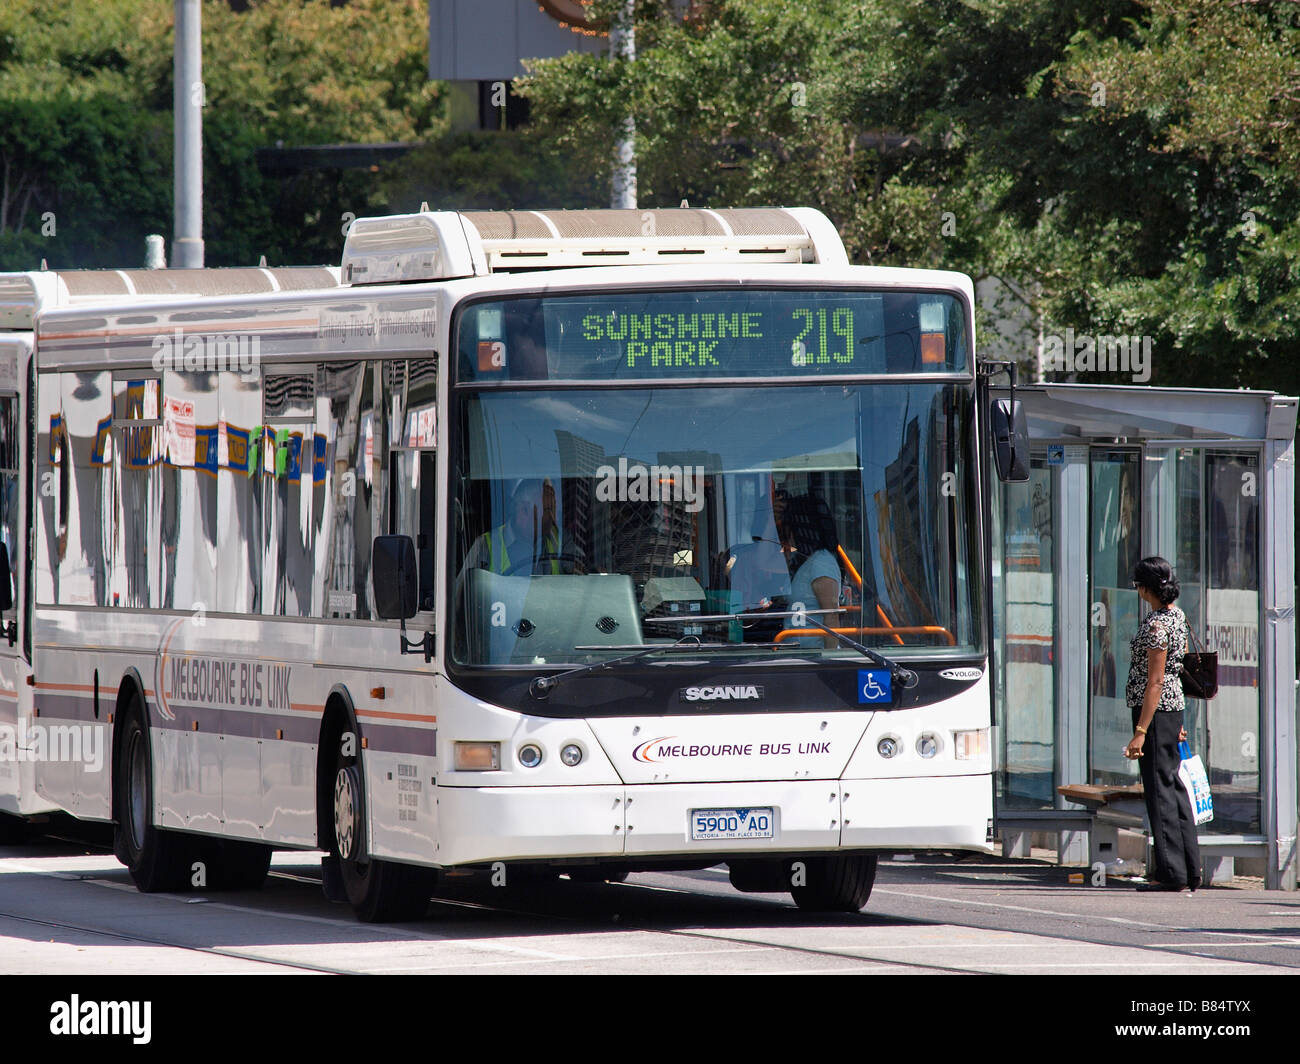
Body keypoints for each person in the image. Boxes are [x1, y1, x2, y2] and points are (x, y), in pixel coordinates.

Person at [1123, 556, 1201, 892]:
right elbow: (1177, 668)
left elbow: (1155, 681)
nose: (1137, 590)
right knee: (1174, 786)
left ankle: (1171, 873)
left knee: (1159, 790)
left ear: (1147, 588)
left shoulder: (1156, 626)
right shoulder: (1178, 616)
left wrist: (1140, 731)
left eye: (1138, 584)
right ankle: (1190, 869)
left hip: (1154, 710)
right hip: (1173, 709)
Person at [779, 493, 842, 649]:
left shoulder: (821, 563)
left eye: (790, 529)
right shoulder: (805, 562)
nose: (788, 536)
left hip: (815, 658)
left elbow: (831, 617)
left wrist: (829, 662)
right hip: (800, 655)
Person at [462, 478, 561, 575]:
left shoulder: (559, 539)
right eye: (547, 510)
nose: (553, 518)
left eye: (554, 509)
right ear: (524, 511)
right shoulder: (484, 546)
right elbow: (461, 589)